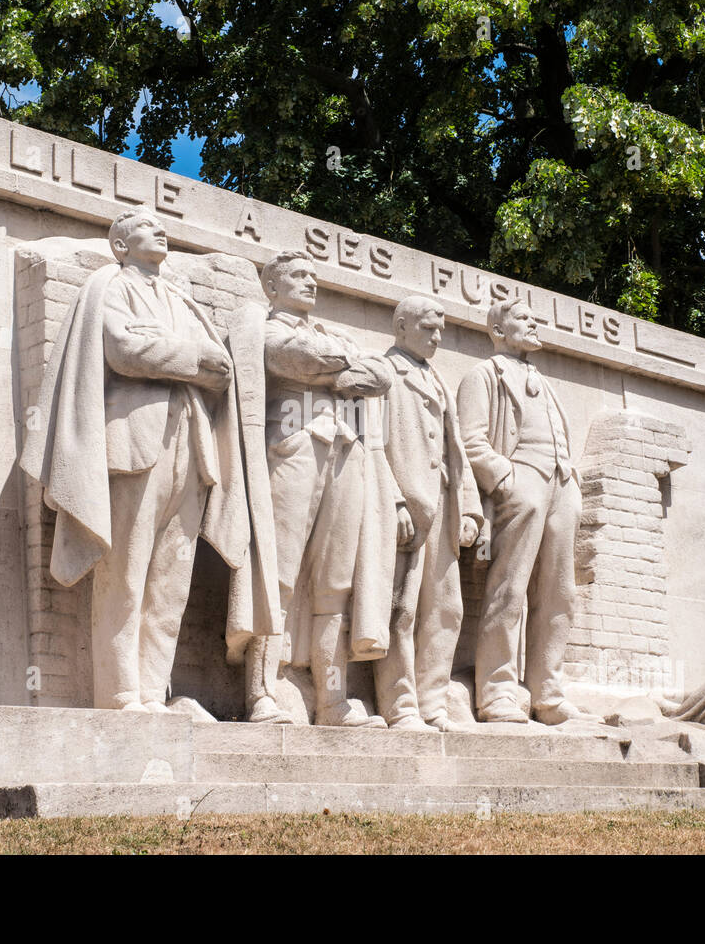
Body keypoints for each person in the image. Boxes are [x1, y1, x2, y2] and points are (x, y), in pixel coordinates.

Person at [21, 206, 272, 714]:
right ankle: (119, 693)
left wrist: (193, 362)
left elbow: (220, 369)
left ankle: (154, 693)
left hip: (190, 447)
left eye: (162, 225)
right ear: (120, 244)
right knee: (125, 573)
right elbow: (123, 348)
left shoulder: (180, 299)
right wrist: (190, 361)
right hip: (133, 446)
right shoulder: (109, 285)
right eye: (145, 226)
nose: (160, 230)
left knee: (170, 581)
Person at [242, 250, 398, 727]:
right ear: (273, 285)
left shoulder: (333, 334)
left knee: (336, 582)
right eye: (298, 275)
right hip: (290, 445)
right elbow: (296, 360)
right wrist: (347, 369)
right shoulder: (264, 328)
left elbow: (383, 374)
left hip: (344, 453)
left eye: (314, 274)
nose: (311, 282)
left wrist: (342, 368)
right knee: (279, 571)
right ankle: (262, 693)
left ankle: (332, 700)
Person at [456, 296, 598, 725]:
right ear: (499, 330)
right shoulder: (483, 374)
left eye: (533, 318)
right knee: (509, 589)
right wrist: (506, 479)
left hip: (560, 488)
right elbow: (471, 439)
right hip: (522, 486)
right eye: (523, 318)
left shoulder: (543, 378)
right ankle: (497, 691)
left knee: (560, 593)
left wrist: (568, 479)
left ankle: (548, 692)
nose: (533, 324)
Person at [372, 296, 484, 731]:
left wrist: (470, 507)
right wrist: (394, 499)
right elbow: (369, 443)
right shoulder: (385, 372)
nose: (437, 338)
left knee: (446, 608)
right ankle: (400, 706)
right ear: (401, 326)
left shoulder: (437, 378)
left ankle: (433, 701)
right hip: (405, 506)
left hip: (443, 507)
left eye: (441, 330)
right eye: (428, 329)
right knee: (400, 609)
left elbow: (456, 453)